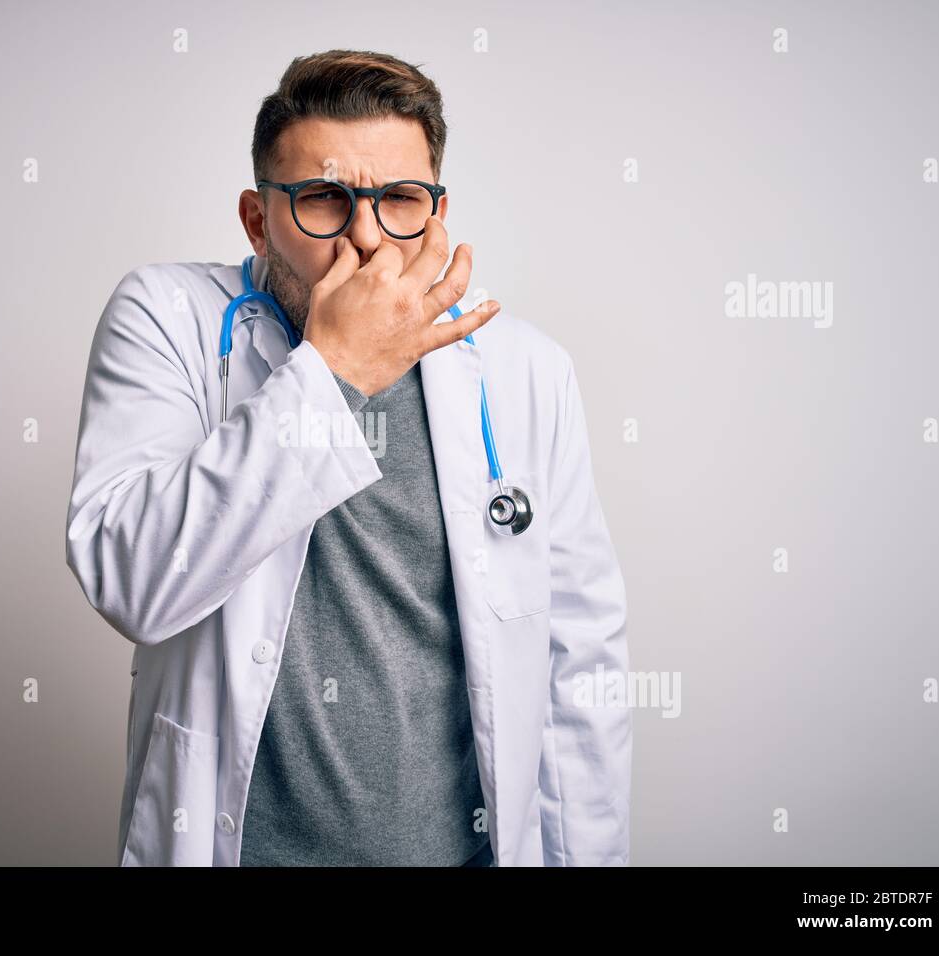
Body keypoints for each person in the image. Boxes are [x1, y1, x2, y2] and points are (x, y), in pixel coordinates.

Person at [65, 49, 631, 867]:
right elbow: (135, 580)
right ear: (259, 221)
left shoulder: (524, 371)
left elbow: (582, 663)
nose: (367, 239)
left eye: (399, 200)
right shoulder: (165, 319)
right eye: (324, 199)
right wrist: (331, 373)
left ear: (435, 213)